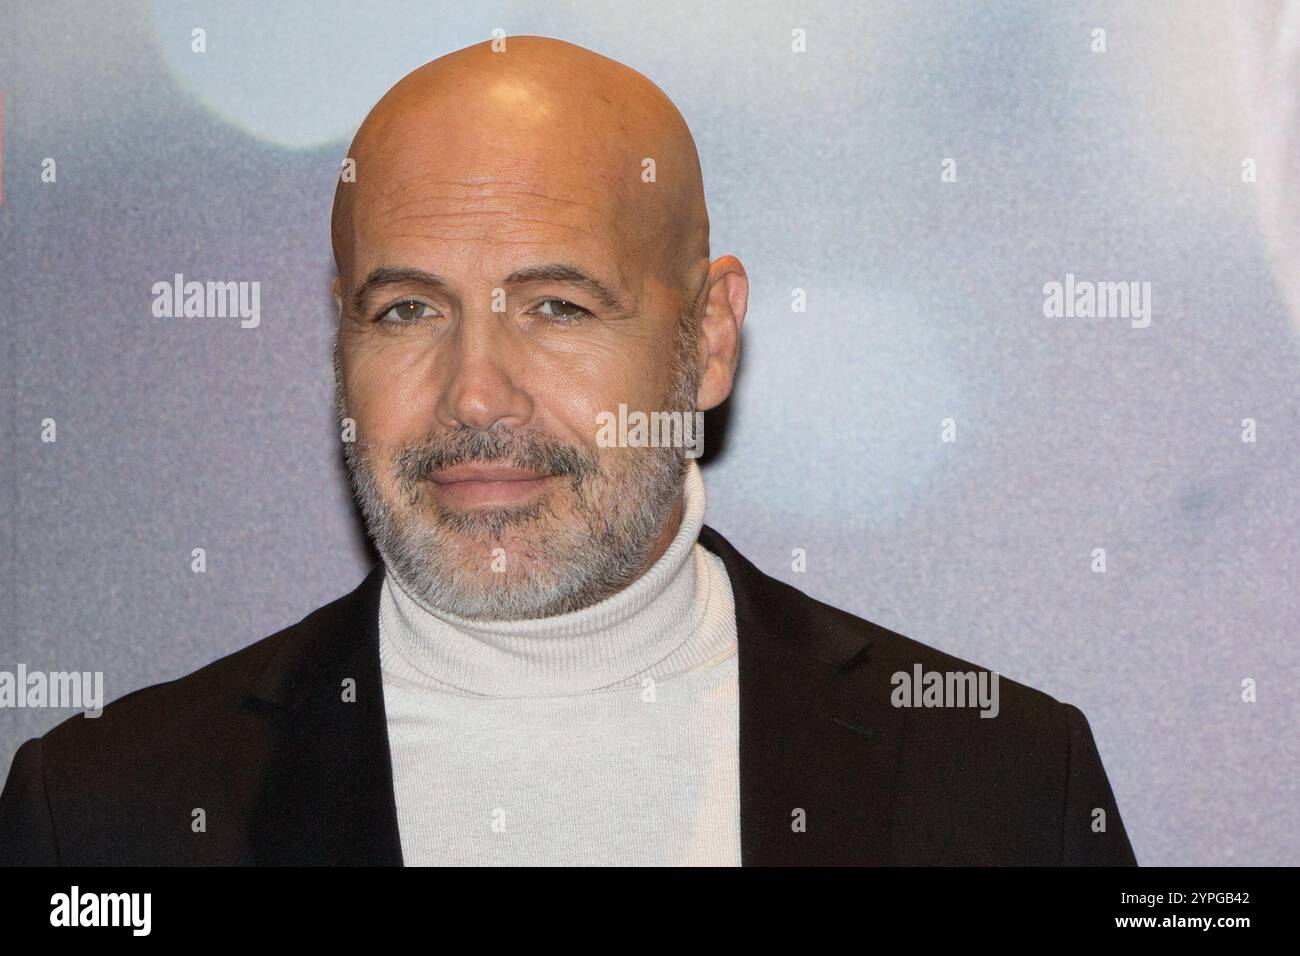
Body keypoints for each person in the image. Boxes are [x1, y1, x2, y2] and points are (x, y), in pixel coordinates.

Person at [0, 35, 1136, 866]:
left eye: (556, 306)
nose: (474, 392)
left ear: (708, 339)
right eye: (407, 310)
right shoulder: (106, 812)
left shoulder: (999, 785)